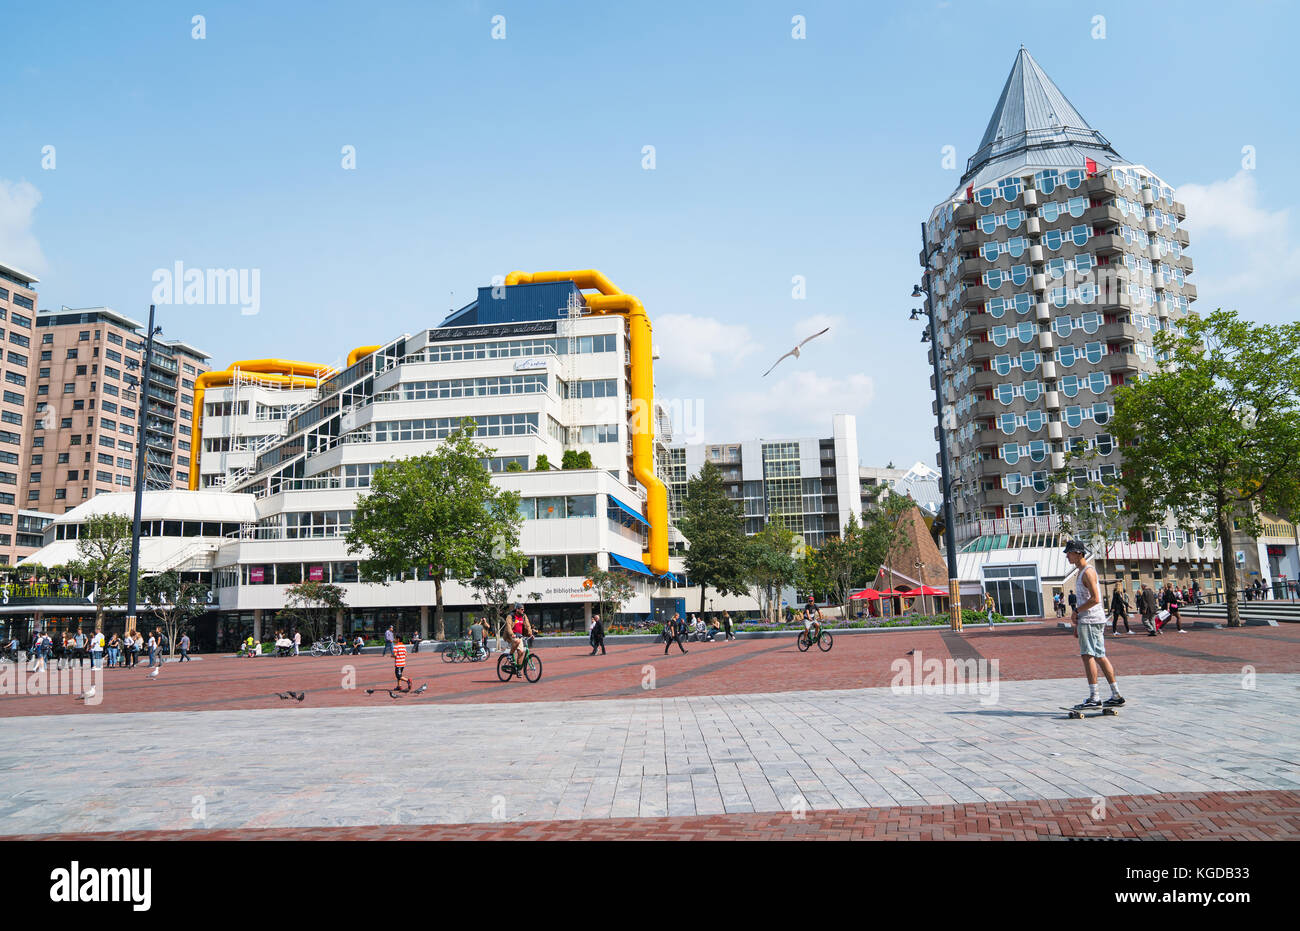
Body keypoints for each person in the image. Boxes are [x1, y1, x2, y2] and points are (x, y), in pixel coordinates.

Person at [1064, 540, 1124, 709]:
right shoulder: (1082, 571)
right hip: (1090, 620)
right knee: (1099, 655)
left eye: (1069, 552)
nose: (1067, 555)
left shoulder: (1087, 572)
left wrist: (1076, 611)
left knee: (1088, 655)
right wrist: (1078, 622)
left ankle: (1095, 696)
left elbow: (1095, 599)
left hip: (1090, 619)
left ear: (1079, 553)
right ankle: (1115, 694)